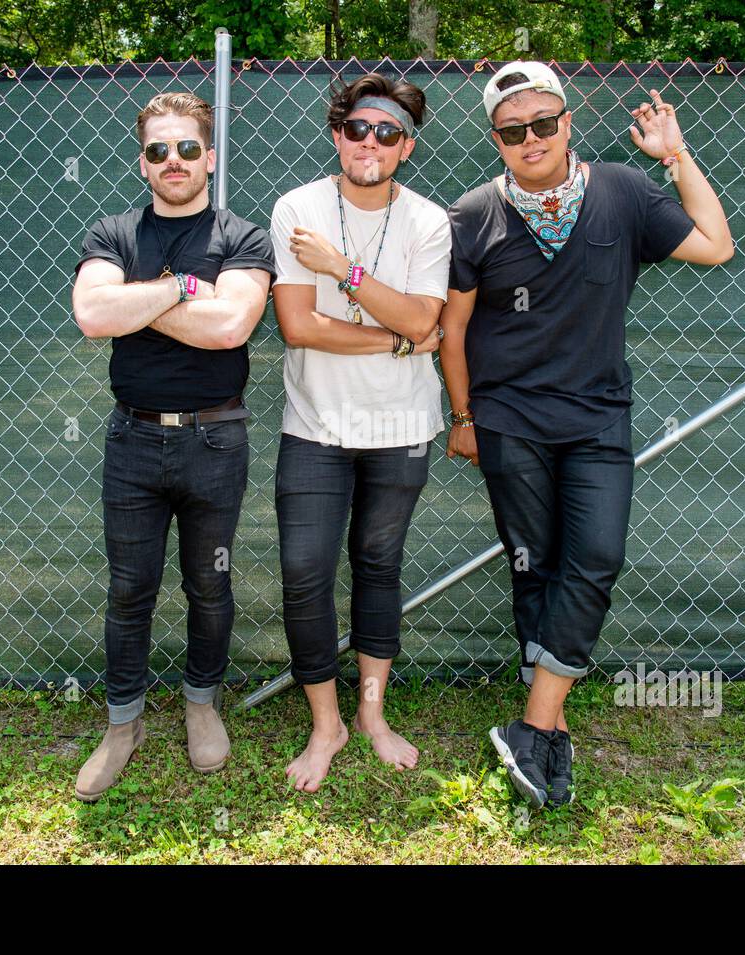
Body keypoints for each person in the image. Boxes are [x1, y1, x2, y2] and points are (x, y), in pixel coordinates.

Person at [439, 62, 734, 808]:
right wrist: (465, 418)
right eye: (513, 130)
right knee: (534, 567)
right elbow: (454, 329)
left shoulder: (623, 193)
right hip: (509, 421)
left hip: (598, 416)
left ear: (568, 122)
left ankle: (531, 723)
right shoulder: (474, 214)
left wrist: (674, 154)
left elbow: (714, 243)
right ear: (497, 140)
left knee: (596, 556)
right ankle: (553, 728)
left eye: (543, 123)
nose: (530, 138)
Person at [70, 91, 275, 801]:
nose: (175, 161)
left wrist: (144, 299)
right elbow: (94, 313)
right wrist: (187, 288)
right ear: (143, 163)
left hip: (216, 440)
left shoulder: (244, 238)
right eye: (159, 150)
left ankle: (199, 705)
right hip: (133, 439)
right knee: (129, 589)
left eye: (188, 147)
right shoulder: (114, 232)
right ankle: (122, 723)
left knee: (208, 583)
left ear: (209, 156)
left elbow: (230, 329)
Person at [269, 72, 450, 793]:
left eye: (387, 133)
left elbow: (422, 318)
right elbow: (297, 327)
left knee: (379, 568)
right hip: (315, 424)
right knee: (305, 572)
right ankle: (326, 724)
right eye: (357, 129)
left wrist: (340, 269)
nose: (369, 143)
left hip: (402, 425)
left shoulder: (429, 221)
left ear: (407, 147)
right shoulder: (297, 209)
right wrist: (403, 338)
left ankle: (370, 715)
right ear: (337, 133)